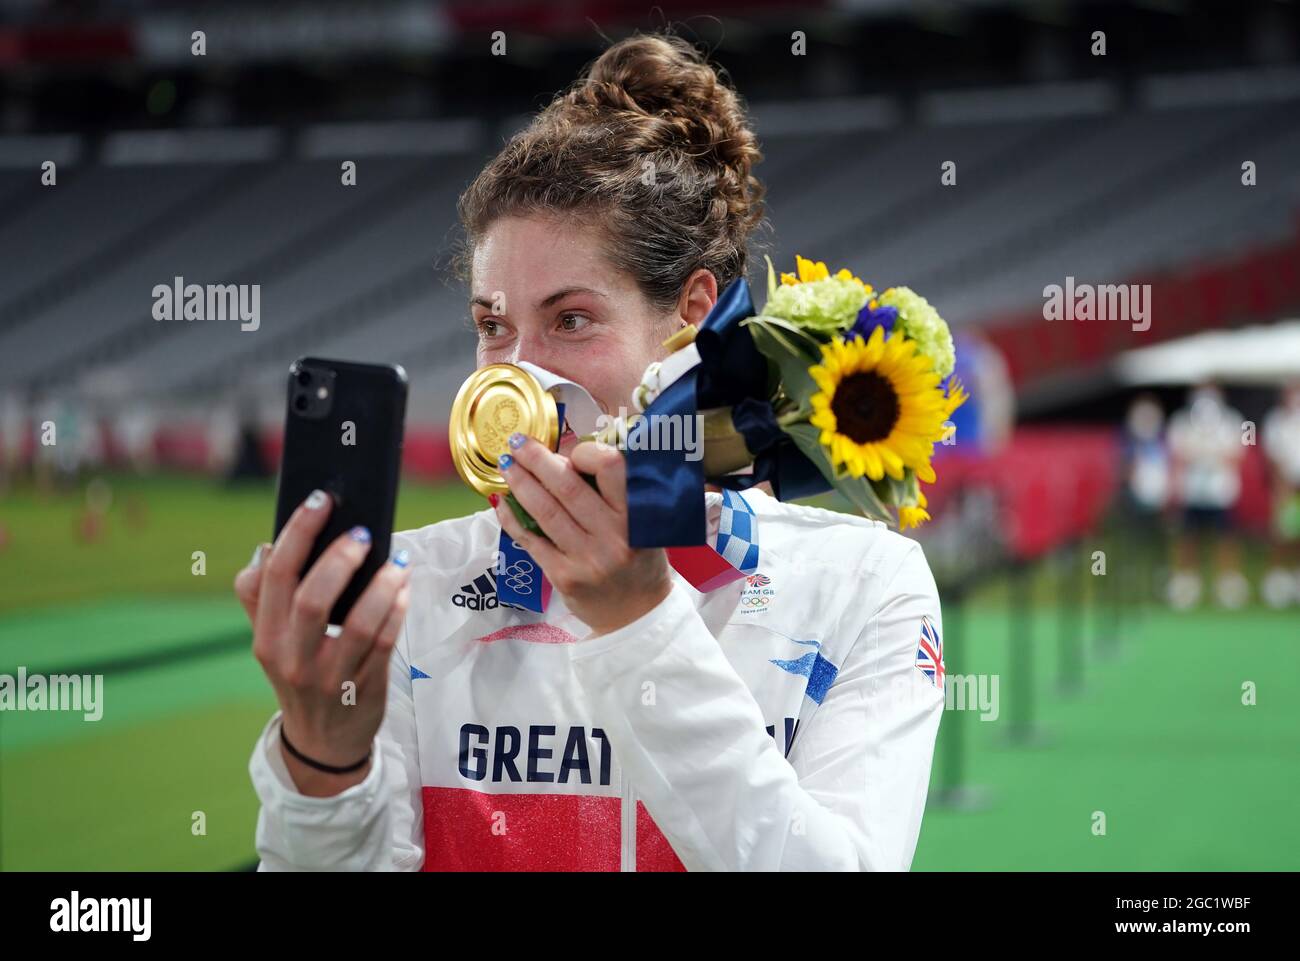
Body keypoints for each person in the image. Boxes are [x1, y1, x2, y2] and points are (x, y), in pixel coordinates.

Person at [235, 33, 946, 872]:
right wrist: (324, 765)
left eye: (570, 321)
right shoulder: (408, 595)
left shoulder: (863, 587)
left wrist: (639, 621)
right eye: (493, 327)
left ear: (689, 321)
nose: (516, 376)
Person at [1165, 383, 1247, 609]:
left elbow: (1238, 454)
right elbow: (1178, 456)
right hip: (1191, 492)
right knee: (1188, 538)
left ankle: (1228, 585)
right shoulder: (1181, 421)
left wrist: (1209, 455)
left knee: (1226, 538)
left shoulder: (1234, 421)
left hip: (1221, 492)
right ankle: (1186, 585)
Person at [1261, 382, 1300, 607]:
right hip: (1284, 487)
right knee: (1282, 533)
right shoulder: (1274, 421)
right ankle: (1277, 581)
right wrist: (1280, 486)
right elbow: (1270, 456)